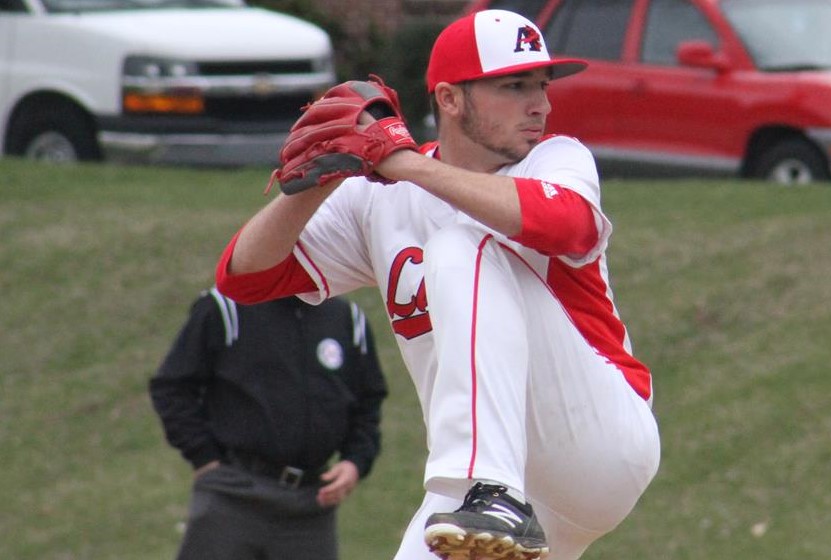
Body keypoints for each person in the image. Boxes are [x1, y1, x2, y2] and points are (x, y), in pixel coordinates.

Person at [214, 8, 660, 560]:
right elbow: (245, 278)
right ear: (450, 99)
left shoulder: (556, 158)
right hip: (480, 492)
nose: (540, 104)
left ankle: (490, 488)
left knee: (456, 243)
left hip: (594, 439)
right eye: (515, 86)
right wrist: (318, 180)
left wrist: (402, 164)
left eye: (541, 86)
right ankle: (489, 492)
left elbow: (564, 224)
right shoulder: (378, 197)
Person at [149, 288, 388, 560]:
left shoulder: (347, 319)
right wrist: (205, 457)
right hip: (233, 497)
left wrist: (355, 461)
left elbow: (368, 401)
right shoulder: (226, 307)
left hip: (311, 508)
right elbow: (172, 387)